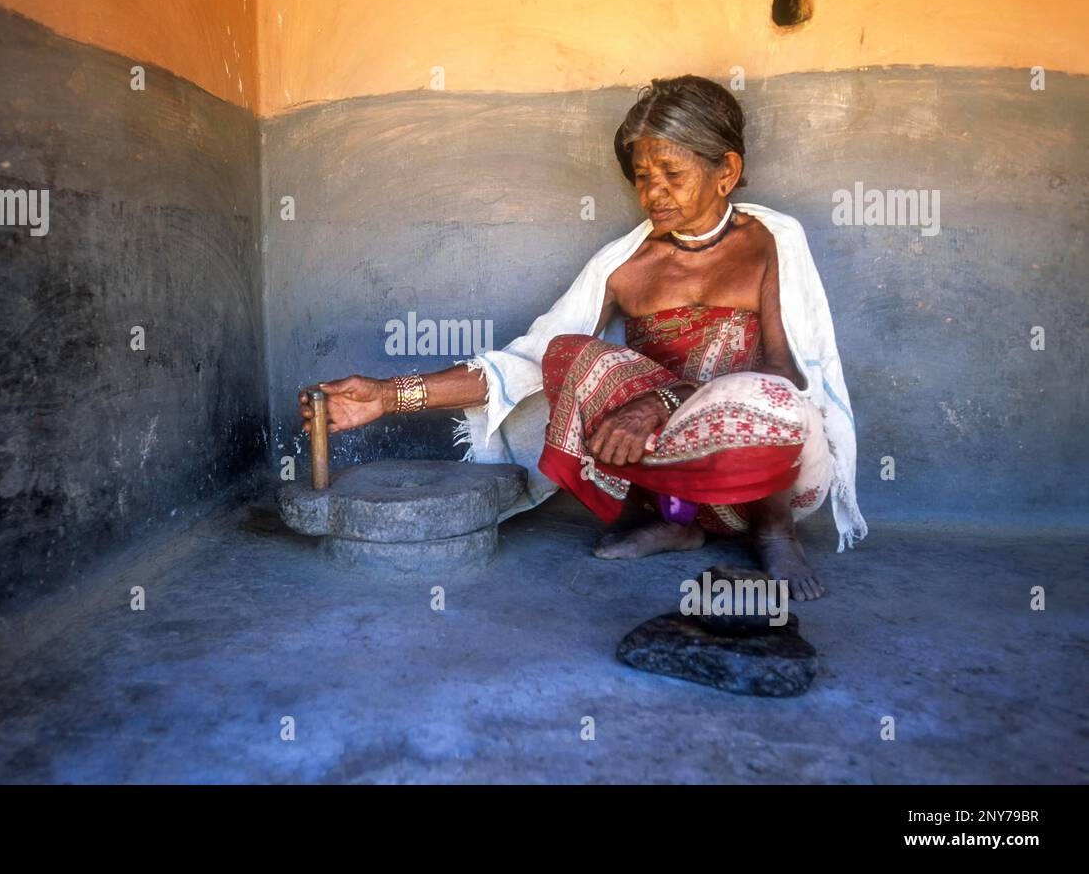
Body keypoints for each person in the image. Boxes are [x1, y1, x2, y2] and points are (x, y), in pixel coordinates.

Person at [300, 75, 866, 601]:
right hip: (666, 469)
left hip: (763, 478)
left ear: (727, 170)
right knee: (571, 356)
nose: (654, 193)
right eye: (643, 177)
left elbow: (787, 375)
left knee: (767, 396)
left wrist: (659, 402)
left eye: (673, 173)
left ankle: (773, 536)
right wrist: (386, 396)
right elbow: (527, 361)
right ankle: (674, 521)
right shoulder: (625, 265)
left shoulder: (771, 241)